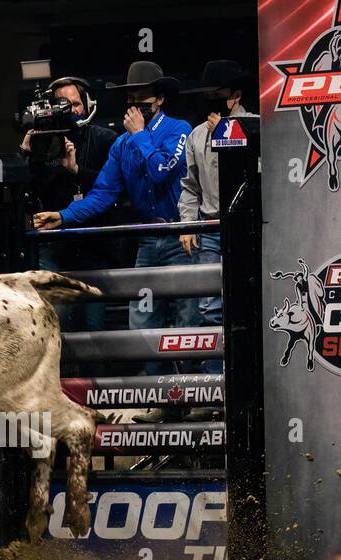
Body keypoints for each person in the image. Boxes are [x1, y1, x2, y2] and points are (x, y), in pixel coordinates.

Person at [32, 61, 192, 378]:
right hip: (147, 238)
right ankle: (158, 394)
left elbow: (161, 172)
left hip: (180, 233)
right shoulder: (122, 144)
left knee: (188, 319)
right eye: (130, 99)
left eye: (141, 99)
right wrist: (63, 216)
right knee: (142, 319)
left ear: (159, 99)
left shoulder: (180, 129)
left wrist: (142, 135)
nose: (134, 106)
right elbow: (103, 193)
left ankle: (191, 388)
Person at [20, 76, 117, 342]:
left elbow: (113, 189)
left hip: (95, 244)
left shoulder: (106, 139)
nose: (72, 110)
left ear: (86, 105)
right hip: (55, 245)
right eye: (64, 105)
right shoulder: (42, 141)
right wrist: (28, 156)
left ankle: (95, 382)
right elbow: (30, 192)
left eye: (75, 104)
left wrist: (75, 170)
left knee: (94, 328)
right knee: (55, 322)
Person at [179, 61, 251, 347]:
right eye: (208, 94)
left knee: (245, 301)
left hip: (244, 227)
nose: (212, 100)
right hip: (209, 228)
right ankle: (214, 378)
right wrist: (187, 225)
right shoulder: (197, 135)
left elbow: (256, 171)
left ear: (235, 96)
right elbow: (189, 186)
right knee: (209, 309)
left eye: (218, 94)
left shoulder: (253, 124)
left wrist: (226, 132)